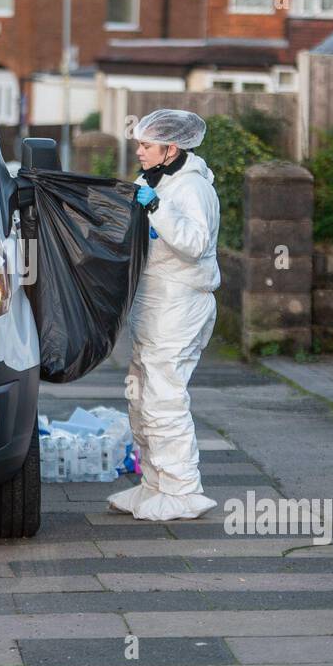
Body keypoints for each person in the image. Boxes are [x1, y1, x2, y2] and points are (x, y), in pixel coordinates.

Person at [107, 108, 222, 521]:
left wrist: (157, 208)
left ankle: (182, 491)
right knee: (140, 394)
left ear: (170, 148)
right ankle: (154, 483)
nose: (138, 150)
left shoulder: (192, 190)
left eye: (146, 145)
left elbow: (194, 243)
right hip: (155, 303)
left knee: (164, 397)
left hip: (181, 304)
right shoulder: (152, 181)